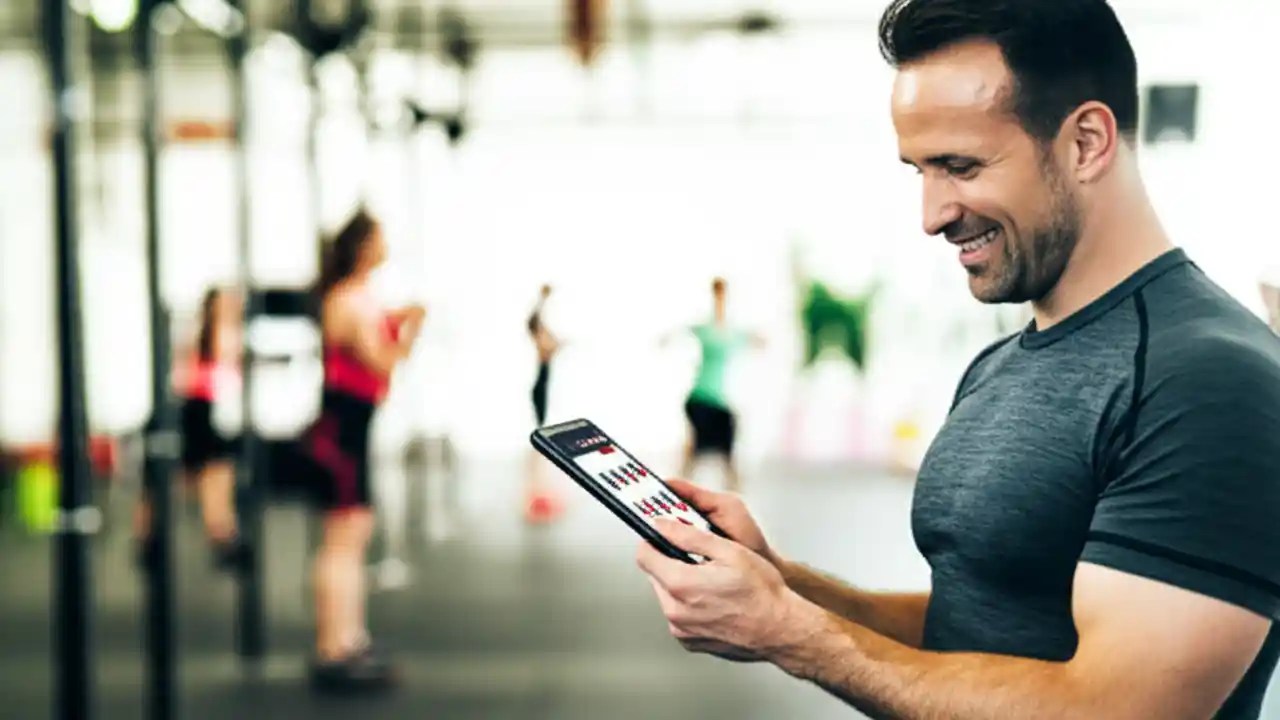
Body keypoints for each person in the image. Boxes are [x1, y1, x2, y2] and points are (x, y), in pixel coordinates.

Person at [634, 1, 1280, 718]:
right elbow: (978, 630)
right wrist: (783, 587)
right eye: (919, 169)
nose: (932, 213)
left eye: (960, 166)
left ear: (1087, 142)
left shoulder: (1211, 382)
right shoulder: (1001, 364)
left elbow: (1114, 709)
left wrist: (791, 634)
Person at [303, 208, 424, 692]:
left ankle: (350, 637)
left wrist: (399, 320)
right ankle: (334, 646)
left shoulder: (358, 296)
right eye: (380, 237)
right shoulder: (349, 299)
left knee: (353, 532)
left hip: (353, 424)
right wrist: (411, 329)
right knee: (343, 538)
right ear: (363, 246)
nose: (386, 244)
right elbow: (383, 363)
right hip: (342, 429)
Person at [134, 286, 245, 571]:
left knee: (216, 479)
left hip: (210, 415)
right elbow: (187, 375)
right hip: (192, 411)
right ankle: (149, 540)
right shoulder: (204, 336)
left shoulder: (221, 334)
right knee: (166, 482)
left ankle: (223, 539)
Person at [664, 278, 764, 493]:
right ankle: (677, 492)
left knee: (722, 453)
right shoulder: (707, 329)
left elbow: (758, 340)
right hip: (701, 396)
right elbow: (681, 331)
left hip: (718, 399)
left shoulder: (732, 331)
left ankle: (730, 497)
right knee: (698, 452)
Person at [524, 284, 566, 522]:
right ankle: (535, 495)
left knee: (541, 440)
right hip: (539, 388)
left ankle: (539, 491)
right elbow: (533, 321)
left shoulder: (545, 336)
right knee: (538, 442)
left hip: (544, 388)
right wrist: (541, 299)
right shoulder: (539, 335)